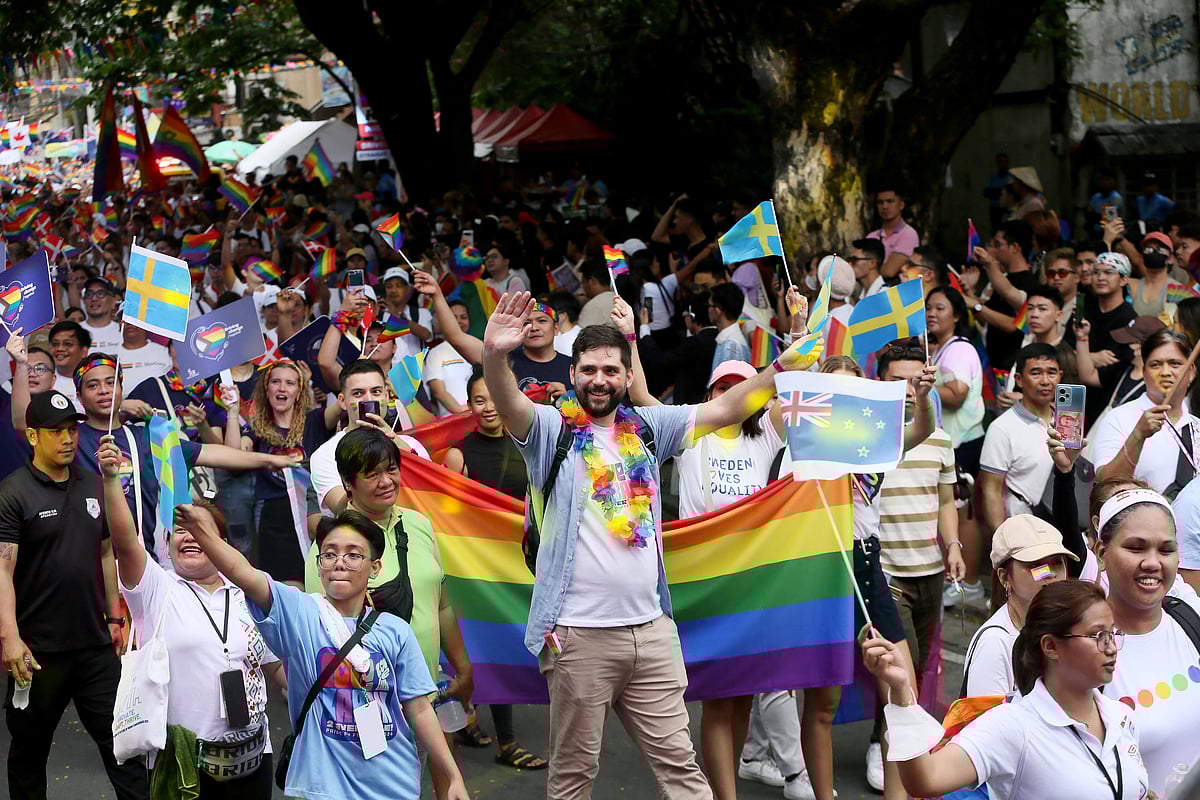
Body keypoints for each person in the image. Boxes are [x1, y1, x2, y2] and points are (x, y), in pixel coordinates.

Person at [482, 291, 825, 799]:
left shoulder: (648, 427)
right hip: (579, 637)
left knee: (684, 774)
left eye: (611, 370)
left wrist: (779, 366)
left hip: (651, 632)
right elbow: (508, 400)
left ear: (626, 376)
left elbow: (728, 406)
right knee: (573, 779)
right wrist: (494, 355)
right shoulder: (550, 430)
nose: (600, 379)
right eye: (590, 369)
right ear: (573, 374)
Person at [179, 504, 469, 800]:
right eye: (330, 554)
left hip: (393, 785)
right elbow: (241, 571)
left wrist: (453, 775)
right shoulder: (300, 613)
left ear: (375, 568)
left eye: (354, 555)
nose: (339, 562)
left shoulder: (395, 630)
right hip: (321, 787)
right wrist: (199, 531)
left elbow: (419, 709)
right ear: (319, 564)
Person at [99, 432, 283, 795]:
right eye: (179, 531)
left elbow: (276, 666)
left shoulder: (251, 593)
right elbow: (124, 542)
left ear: (223, 545)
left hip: (253, 757)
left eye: (200, 528)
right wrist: (110, 479)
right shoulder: (158, 589)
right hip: (184, 763)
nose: (188, 535)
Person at [302, 429, 474, 798]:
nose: (386, 482)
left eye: (392, 470)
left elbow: (440, 603)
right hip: (367, 706)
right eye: (372, 474)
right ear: (348, 483)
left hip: (425, 693)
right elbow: (323, 630)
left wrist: (462, 666)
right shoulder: (335, 544)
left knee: (440, 780)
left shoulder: (419, 524)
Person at [864, 579, 1147, 800]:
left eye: (1113, 634)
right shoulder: (1013, 726)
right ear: (1050, 646)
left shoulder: (1121, 717)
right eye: (1097, 635)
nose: (1111, 647)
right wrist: (901, 692)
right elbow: (926, 779)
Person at [0, 390, 147, 800]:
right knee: (29, 751)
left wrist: (115, 614)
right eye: (55, 432)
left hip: (94, 646)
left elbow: (105, 552)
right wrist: (10, 637)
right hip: (39, 651)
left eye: (71, 430)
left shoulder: (92, 483)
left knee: (123, 745)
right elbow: (2, 569)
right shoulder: (13, 493)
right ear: (32, 436)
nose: (67, 439)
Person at [442, 368, 548, 770]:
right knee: (471, 647)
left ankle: (493, 734)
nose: (487, 407)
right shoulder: (458, 453)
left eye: (492, 398)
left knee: (504, 643)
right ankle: (483, 732)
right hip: (470, 564)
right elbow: (448, 513)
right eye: (478, 400)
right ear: (468, 405)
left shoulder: (530, 445)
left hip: (517, 563)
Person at [1095, 488, 1200, 795]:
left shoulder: (1189, 619)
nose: (1153, 563)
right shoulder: (1077, 648)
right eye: (1136, 548)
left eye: (1166, 550)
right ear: (1102, 553)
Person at [239, 359, 339, 584]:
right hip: (272, 516)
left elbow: (342, 405)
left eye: (290, 383)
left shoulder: (314, 421)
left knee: (316, 582)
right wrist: (233, 410)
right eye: (276, 382)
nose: (282, 388)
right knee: (284, 586)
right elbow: (239, 454)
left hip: (310, 512)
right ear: (267, 389)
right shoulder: (257, 427)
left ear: (299, 391)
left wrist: (354, 375)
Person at [961, 515, 1075, 696]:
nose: (1051, 573)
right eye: (1037, 566)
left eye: (1058, 563)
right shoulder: (995, 643)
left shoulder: (1071, 629)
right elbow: (986, 722)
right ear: (1004, 577)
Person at [926, 287, 987, 607]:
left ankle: (969, 584)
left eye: (940, 307)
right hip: (951, 443)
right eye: (928, 308)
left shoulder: (959, 349)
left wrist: (918, 386)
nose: (931, 313)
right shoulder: (942, 348)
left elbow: (957, 393)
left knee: (964, 514)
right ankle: (957, 580)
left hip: (963, 444)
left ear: (957, 315)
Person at [1092, 328, 1198, 498]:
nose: (1165, 372)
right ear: (1144, 372)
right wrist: (1138, 435)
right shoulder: (1119, 418)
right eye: (1155, 364)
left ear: (1191, 372)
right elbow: (1107, 483)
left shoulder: (1196, 426)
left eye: (1175, 364)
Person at [980, 343, 1060, 528]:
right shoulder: (1002, 428)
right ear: (1019, 379)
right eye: (1036, 373)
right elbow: (991, 489)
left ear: (1060, 376)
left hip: (1067, 533)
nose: (1045, 381)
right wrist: (1003, 543)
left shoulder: (1069, 423)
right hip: (1024, 533)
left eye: (1052, 373)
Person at [963, 219, 1037, 373]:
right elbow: (987, 316)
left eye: (997, 244)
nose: (991, 250)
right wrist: (968, 291)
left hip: (1012, 367)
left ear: (1015, 247)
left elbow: (1013, 325)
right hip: (993, 364)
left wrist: (988, 263)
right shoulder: (1003, 278)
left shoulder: (1028, 283)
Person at [1081, 251, 1137, 423]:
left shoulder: (1129, 319)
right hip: (1078, 396)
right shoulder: (1085, 309)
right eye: (1096, 272)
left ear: (1123, 280)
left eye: (1108, 272)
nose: (1100, 277)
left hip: (1107, 400)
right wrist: (1091, 357)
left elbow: (1111, 367)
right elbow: (1063, 352)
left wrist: (1081, 358)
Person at [424, 300, 473, 416]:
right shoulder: (436, 353)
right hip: (453, 421)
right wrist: (464, 412)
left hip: (484, 416)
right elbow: (439, 392)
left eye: (463, 317)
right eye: (453, 317)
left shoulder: (479, 347)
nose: (459, 321)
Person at [866, 186, 920, 279]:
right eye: (880, 202)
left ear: (901, 205)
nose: (885, 206)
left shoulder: (908, 234)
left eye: (890, 201)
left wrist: (869, 272)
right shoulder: (872, 236)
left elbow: (889, 271)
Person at [116, 318, 171, 392]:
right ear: (119, 324)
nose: (129, 323)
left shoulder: (165, 352)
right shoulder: (110, 355)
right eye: (125, 318)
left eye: (135, 318)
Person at [47, 320, 90, 408]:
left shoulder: (93, 379)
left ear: (83, 351)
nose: (60, 348)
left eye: (68, 344)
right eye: (55, 344)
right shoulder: (43, 380)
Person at [710, 282, 751, 372]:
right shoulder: (731, 339)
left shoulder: (730, 346)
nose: (708, 310)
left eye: (710, 306)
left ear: (718, 310)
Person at [80, 276, 122, 353]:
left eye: (101, 293)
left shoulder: (123, 332)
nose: (94, 298)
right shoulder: (76, 331)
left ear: (114, 301)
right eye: (89, 294)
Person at [576, 260, 617, 328]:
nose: (582, 286)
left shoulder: (592, 307)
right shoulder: (620, 298)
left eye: (583, 282)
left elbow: (582, 336)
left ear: (592, 281)